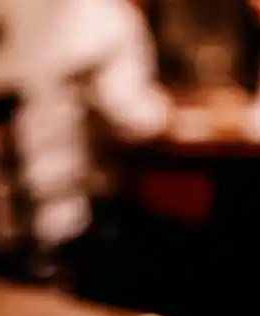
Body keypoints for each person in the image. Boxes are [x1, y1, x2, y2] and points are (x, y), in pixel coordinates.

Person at [11, 0, 172, 285]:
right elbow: (134, 118)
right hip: (83, 220)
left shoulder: (71, 13)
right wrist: (174, 114)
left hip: (40, 206)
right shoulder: (113, 21)